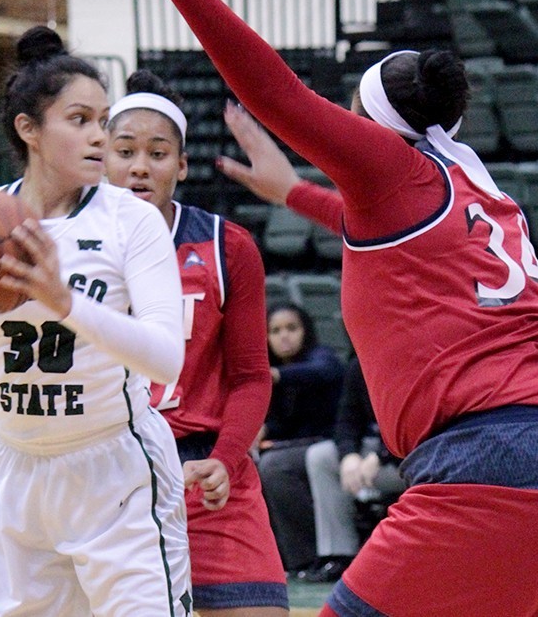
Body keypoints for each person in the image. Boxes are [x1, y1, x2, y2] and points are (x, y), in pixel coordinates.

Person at [139, 0, 538, 616]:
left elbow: (273, 88)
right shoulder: (471, 186)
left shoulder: (391, 166)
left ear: (374, 127)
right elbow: (368, 230)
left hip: (501, 465)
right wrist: (289, 191)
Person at [0, 26, 192, 616]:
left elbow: (165, 359)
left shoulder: (132, 222)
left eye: (103, 120)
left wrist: (65, 301)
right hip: (15, 472)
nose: (100, 135)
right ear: (30, 129)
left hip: (114, 469)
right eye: (80, 119)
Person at [104, 69, 288, 616]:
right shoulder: (69, 246)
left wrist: (228, 461)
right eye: (126, 151)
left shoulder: (227, 247)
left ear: (181, 166)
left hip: (202, 469)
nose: (140, 165)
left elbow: (252, 376)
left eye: (158, 153)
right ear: (103, 161)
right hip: (107, 470)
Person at [257, 302, 344, 577]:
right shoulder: (269, 372)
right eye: (275, 330)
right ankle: (271, 557)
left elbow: (324, 372)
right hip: (291, 446)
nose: (284, 336)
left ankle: (305, 557)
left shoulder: (322, 357)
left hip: (328, 443)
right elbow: (277, 424)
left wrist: (276, 375)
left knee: (274, 466)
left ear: (306, 331)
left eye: (292, 328)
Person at [302, 358, 404, 584]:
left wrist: (381, 455)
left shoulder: (413, 360)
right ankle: (339, 555)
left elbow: (421, 423)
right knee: (321, 456)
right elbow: (347, 421)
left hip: (415, 457)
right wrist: (348, 455)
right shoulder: (359, 365)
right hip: (378, 454)